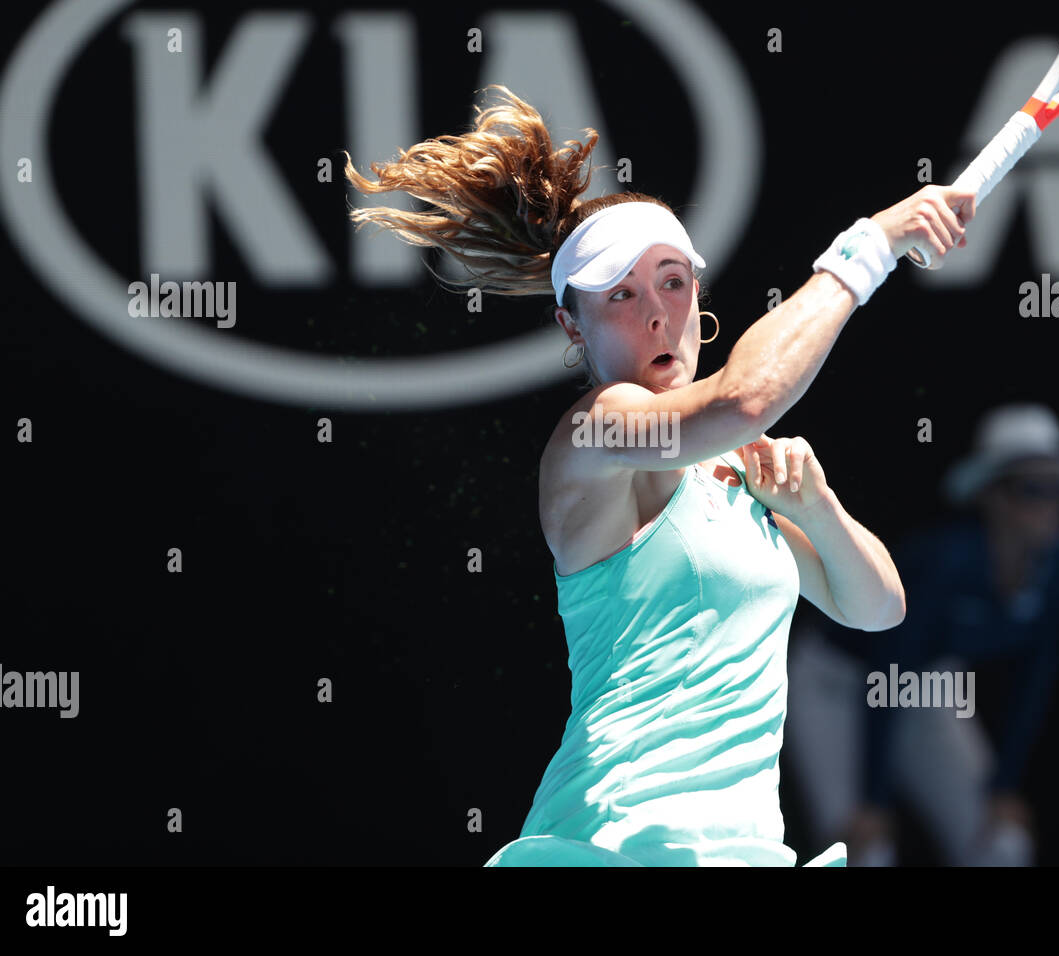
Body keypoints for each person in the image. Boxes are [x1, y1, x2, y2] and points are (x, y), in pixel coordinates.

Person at [343, 85, 975, 866]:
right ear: (571, 323)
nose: (655, 312)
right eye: (621, 294)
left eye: (673, 281)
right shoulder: (596, 430)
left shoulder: (732, 470)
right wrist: (869, 246)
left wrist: (817, 508)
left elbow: (877, 608)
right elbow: (747, 396)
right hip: (611, 844)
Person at [784, 403, 1059, 865]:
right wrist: (872, 801)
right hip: (834, 684)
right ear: (993, 497)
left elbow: (1038, 672)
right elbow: (888, 670)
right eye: (1033, 489)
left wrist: (1004, 786)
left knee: (1003, 844)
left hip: (927, 689)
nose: (1052, 506)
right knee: (864, 853)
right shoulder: (943, 562)